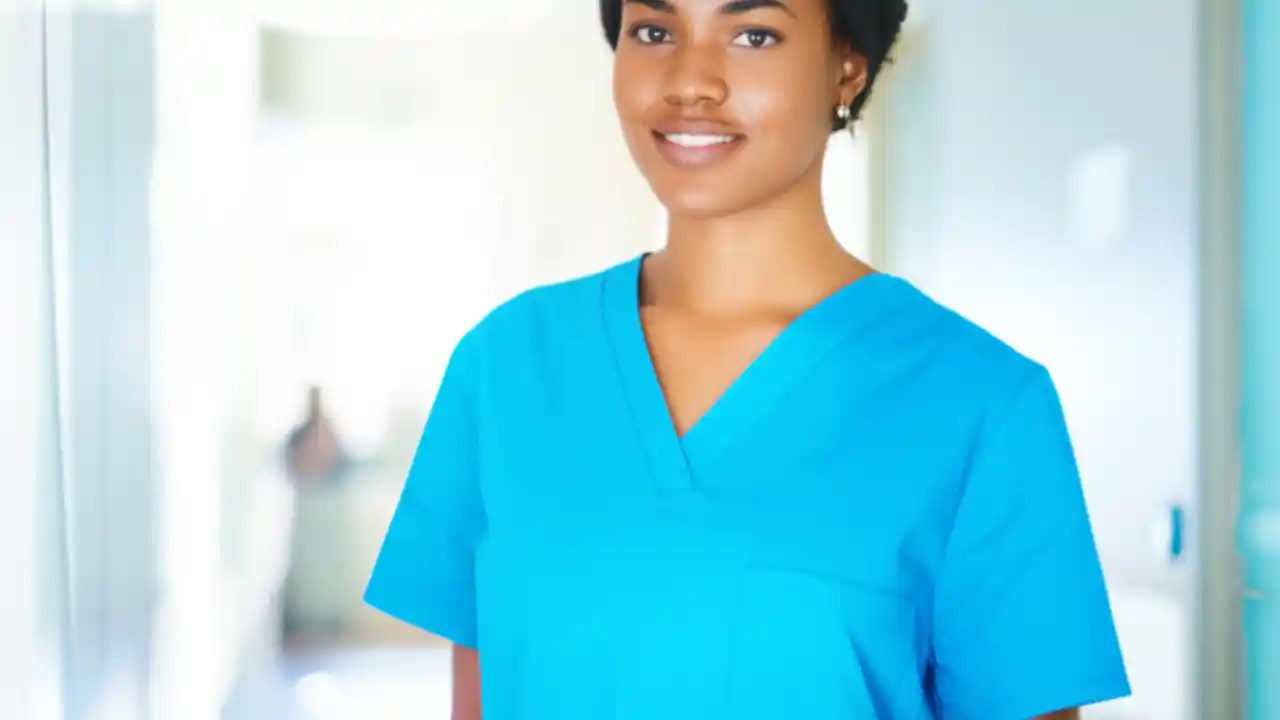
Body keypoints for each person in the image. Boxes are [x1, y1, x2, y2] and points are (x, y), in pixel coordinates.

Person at [364, 0, 1132, 717]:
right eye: (654, 32)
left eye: (754, 33)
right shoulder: (506, 367)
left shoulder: (982, 402)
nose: (690, 81)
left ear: (847, 66)